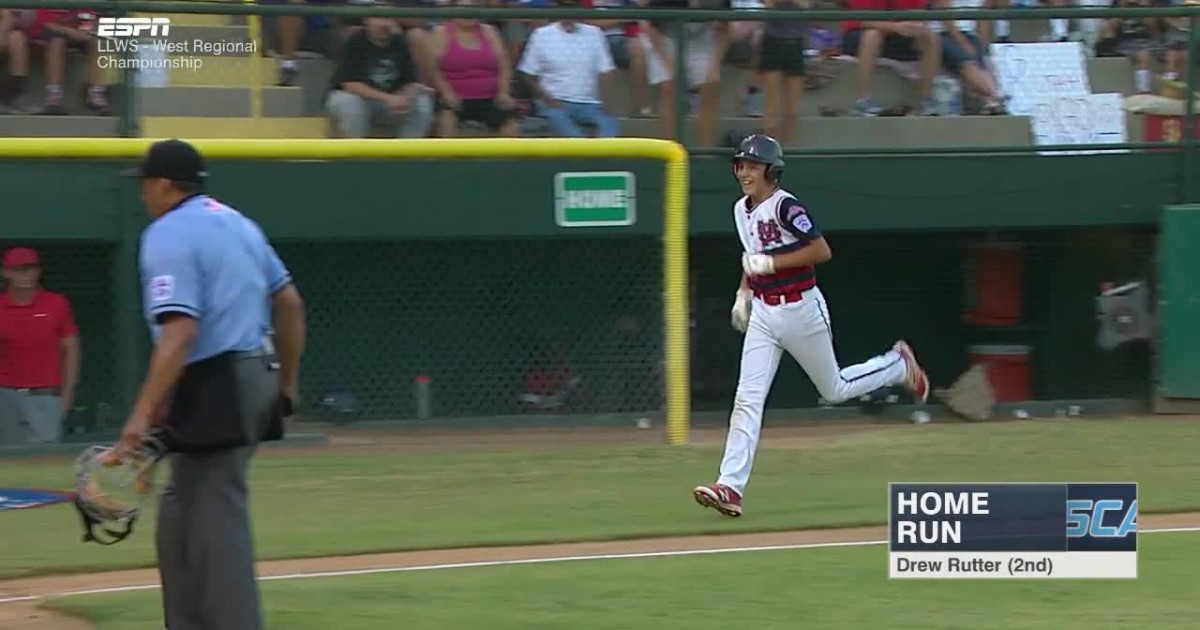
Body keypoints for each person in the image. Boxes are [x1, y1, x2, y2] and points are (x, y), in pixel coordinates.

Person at [108, 139, 307, 630]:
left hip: (221, 378)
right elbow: (290, 304)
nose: (142, 196)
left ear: (161, 185)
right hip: (252, 373)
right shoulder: (239, 223)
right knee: (181, 509)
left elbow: (180, 333)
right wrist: (288, 383)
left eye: (144, 185)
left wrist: (138, 417)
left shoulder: (167, 234)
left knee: (216, 516)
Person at [692, 134, 930, 518]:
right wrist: (744, 292)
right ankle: (730, 487)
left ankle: (897, 365)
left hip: (802, 309)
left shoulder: (787, 207)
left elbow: (821, 249)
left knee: (833, 389)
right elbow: (751, 254)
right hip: (766, 314)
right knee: (746, 399)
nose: (744, 172)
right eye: (740, 165)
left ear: (772, 170)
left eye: (753, 165)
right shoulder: (741, 209)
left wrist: (771, 265)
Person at [0, 247, 80, 445]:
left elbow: (71, 351)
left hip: (45, 396)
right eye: (19, 270)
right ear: (6, 273)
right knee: (8, 463)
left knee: (44, 459)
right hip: (5, 396)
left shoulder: (56, 304)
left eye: (31, 269)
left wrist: (67, 395)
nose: (26, 275)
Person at [517, 0, 621, 138]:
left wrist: (606, 102)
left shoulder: (594, 33)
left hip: (590, 104)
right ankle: (584, 152)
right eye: (564, 6)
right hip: (555, 102)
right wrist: (546, 98)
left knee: (610, 123)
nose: (569, 11)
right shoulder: (542, 34)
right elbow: (527, 74)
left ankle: (600, 155)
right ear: (557, 8)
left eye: (573, 6)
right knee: (561, 121)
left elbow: (607, 71)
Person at [326, 13, 435, 138]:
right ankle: (355, 154)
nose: (385, 24)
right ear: (367, 20)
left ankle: (407, 153)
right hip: (359, 98)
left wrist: (406, 97)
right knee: (348, 102)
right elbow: (350, 84)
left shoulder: (400, 41)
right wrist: (389, 98)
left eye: (388, 18)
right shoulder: (355, 40)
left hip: (388, 103)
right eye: (379, 18)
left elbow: (410, 81)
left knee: (421, 101)